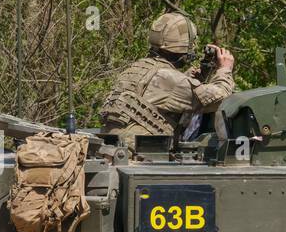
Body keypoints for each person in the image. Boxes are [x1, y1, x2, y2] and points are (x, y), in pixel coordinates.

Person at [99, 12, 235, 148]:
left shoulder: (137, 68)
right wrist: (224, 69)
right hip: (141, 157)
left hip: (116, 151)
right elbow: (221, 100)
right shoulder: (169, 79)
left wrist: (193, 77)